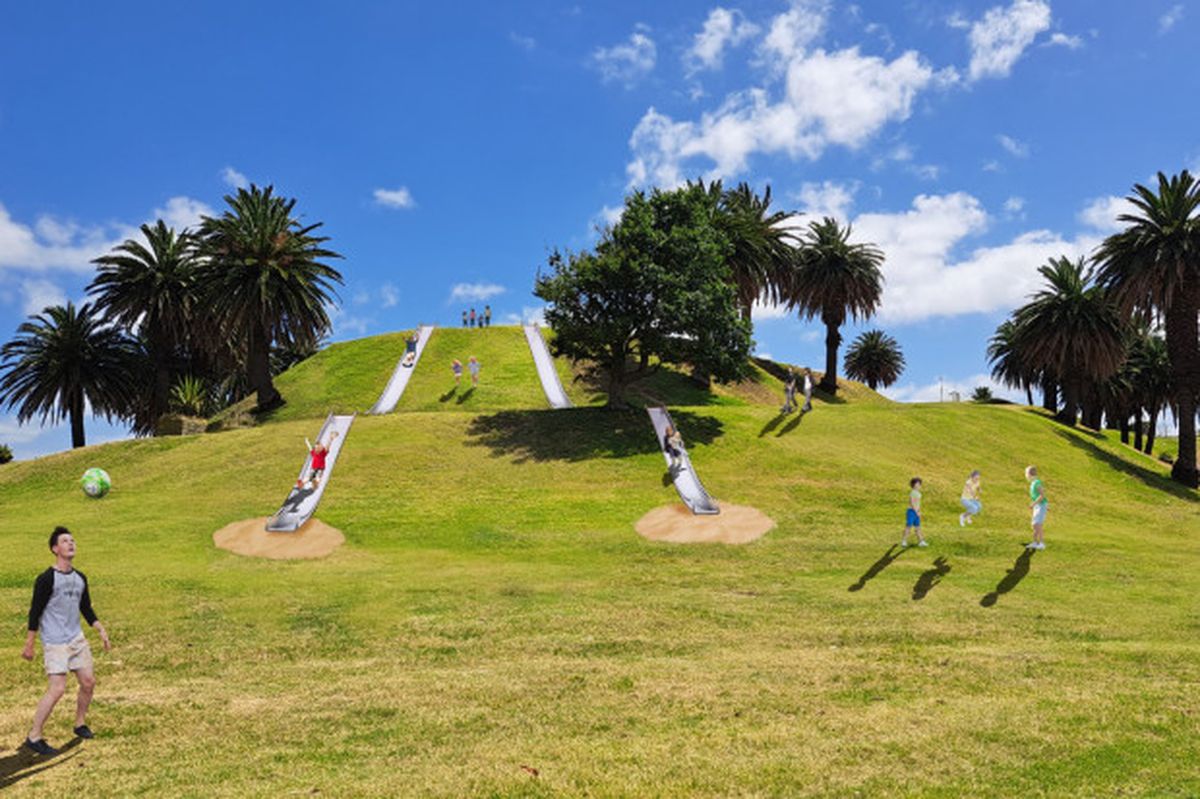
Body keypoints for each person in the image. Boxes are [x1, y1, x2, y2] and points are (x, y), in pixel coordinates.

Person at [22, 527, 111, 756]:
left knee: (88, 682)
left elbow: (85, 607)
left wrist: (99, 628)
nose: (71, 544)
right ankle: (34, 736)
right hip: (55, 642)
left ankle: (79, 724)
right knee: (58, 689)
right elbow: (35, 612)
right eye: (64, 541)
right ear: (55, 549)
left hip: (76, 639)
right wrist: (30, 644)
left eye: (72, 540)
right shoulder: (46, 579)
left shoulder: (80, 578)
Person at [1026, 465, 1048, 550]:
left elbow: (1042, 495)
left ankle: (1042, 543)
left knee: (1038, 524)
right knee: (1035, 524)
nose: (1026, 475)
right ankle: (1035, 542)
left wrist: (1033, 504)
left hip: (1040, 505)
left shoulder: (1037, 482)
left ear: (1029, 474)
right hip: (1038, 506)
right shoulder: (1033, 483)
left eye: (1026, 473)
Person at [901, 477, 927, 547]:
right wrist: (916, 511)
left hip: (916, 511)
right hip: (911, 511)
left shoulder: (918, 493)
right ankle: (904, 541)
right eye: (916, 484)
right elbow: (912, 503)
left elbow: (918, 503)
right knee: (908, 526)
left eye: (919, 484)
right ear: (913, 485)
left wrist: (919, 511)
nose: (918, 485)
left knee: (917, 527)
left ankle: (921, 541)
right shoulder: (912, 492)